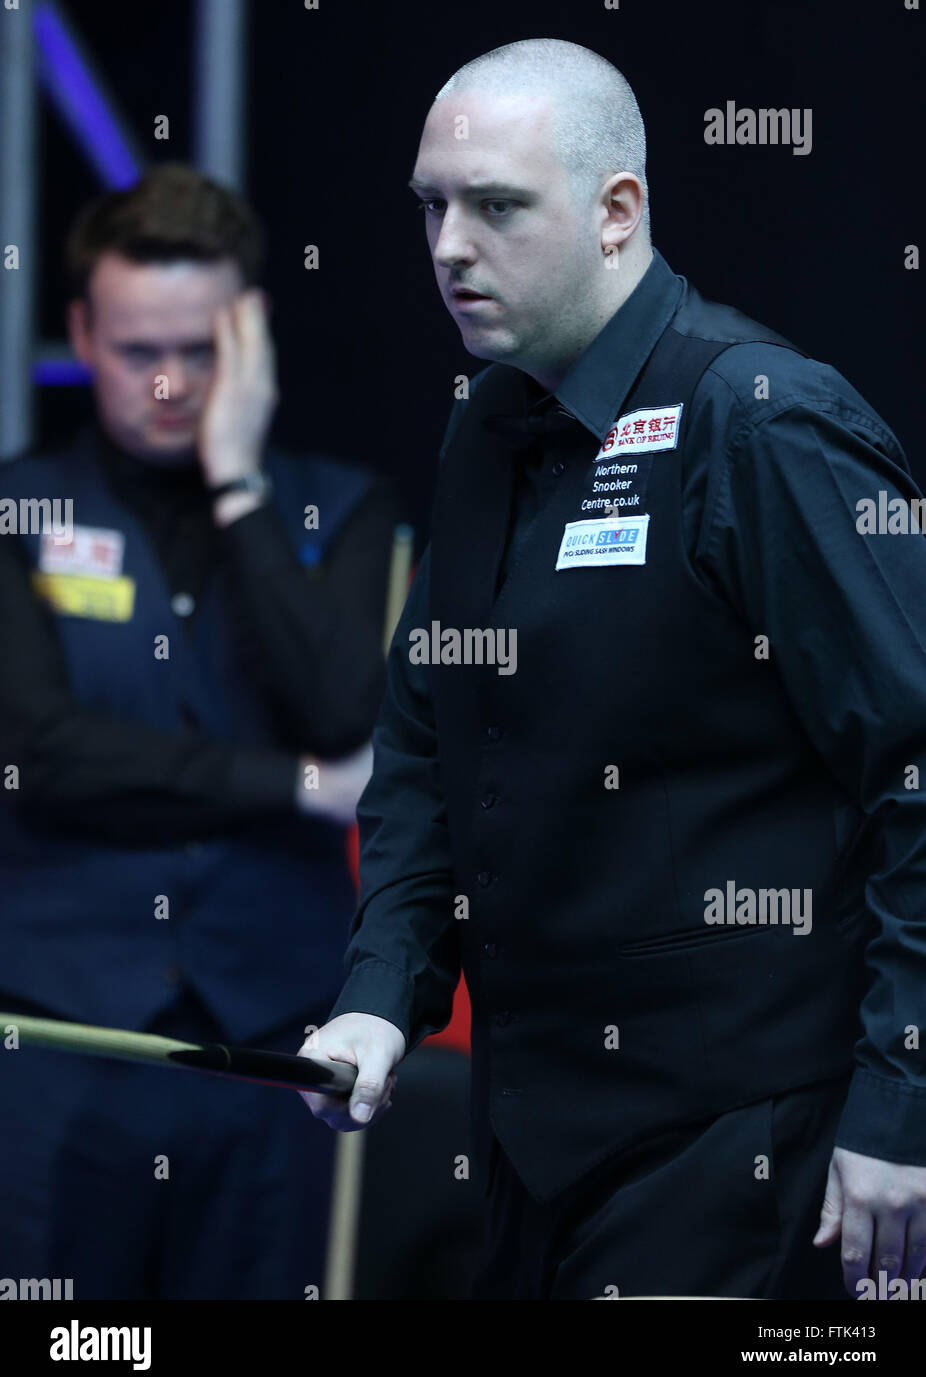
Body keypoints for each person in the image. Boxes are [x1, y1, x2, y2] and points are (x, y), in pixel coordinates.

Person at [299, 40, 926, 1301]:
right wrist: (380, 994)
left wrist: (900, 1107)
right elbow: (428, 752)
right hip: (533, 1147)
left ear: (615, 210)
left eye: (496, 206)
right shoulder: (485, 420)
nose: (449, 246)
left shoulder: (757, 418)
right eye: (431, 205)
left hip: (747, 1147)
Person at [0, 163, 398, 1298]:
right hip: (57, 1040)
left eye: (202, 348)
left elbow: (347, 715)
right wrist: (292, 786)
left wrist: (238, 484)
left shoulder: (342, 508)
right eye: (135, 351)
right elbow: (46, 758)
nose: (171, 381)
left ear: (252, 331)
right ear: (79, 329)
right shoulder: (16, 511)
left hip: (274, 1049)